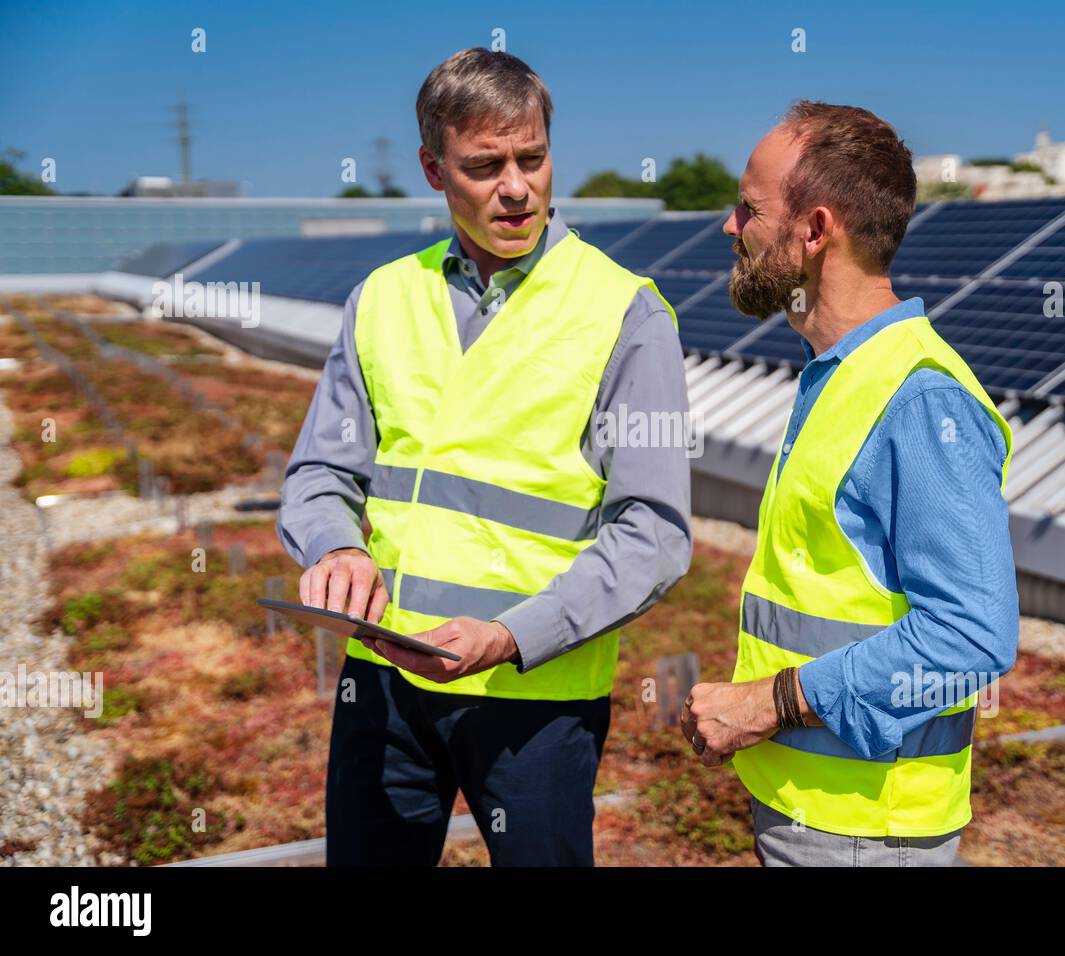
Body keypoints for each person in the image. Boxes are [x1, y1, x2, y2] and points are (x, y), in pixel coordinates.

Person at [277, 47, 692, 866]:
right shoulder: (383, 297)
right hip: (384, 680)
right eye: (485, 165)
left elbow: (655, 535)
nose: (516, 187)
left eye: (532, 159)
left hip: (535, 699)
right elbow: (321, 473)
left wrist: (509, 637)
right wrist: (334, 546)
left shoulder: (626, 313)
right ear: (434, 170)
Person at [680, 101, 1019, 867]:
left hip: (868, 833)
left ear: (814, 229)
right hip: (821, 816)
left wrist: (766, 704)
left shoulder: (920, 400)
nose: (729, 229)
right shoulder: (838, 377)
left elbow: (972, 637)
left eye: (748, 209)